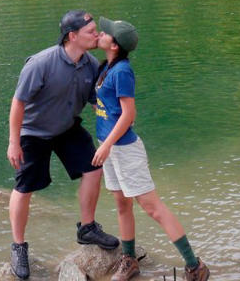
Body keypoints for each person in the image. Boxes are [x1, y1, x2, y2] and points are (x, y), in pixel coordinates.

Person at [92, 17, 210, 281]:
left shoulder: (122, 71)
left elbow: (128, 114)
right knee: (122, 205)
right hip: (110, 148)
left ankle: (195, 266)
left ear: (115, 45)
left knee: (152, 208)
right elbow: (109, 108)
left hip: (123, 149)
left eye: (106, 32)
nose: (101, 33)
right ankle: (129, 260)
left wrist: (107, 145)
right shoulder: (107, 67)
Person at [6, 10, 120, 279]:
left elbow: (97, 101)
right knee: (24, 187)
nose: (96, 35)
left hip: (67, 127)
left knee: (94, 168)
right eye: (90, 31)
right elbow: (18, 102)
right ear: (72, 36)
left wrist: (117, 122)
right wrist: (14, 142)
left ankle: (87, 228)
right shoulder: (41, 63)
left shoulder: (90, 64)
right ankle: (18, 246)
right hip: (33, 132)